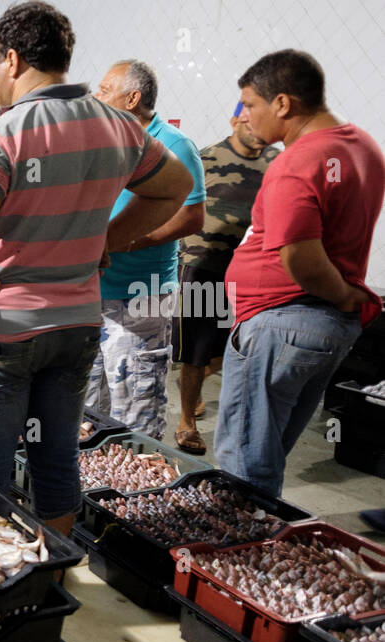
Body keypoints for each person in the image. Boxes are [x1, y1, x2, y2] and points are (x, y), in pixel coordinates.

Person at [0, 1, 193, 536]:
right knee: (56, 463)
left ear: (11, 59)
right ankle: (54, 574)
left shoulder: (3, 135)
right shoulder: (118, 127)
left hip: (1, 331)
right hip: (78, 324)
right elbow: (175, 187)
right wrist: (108, 238)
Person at [215, 50, 384, 496]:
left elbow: (301, 256)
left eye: (250, 105)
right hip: (318, 328)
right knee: (265, 452)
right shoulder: (362, 146)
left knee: (244, 467)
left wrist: (343, 295)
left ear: (283, 104)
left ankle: (242, 555)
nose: (244, 117)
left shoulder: (296, 161)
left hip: (282, 322)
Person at [86, 59, 206, 441]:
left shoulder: (173, 145)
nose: (95, 96)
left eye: (105, 90)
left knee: (136, 411)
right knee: (88, 409)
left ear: (132, 98)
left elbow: (191, 218)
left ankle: (134, 492)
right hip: (90, 297)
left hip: (141, 299)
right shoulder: (101, 143)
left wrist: (126, 240)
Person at [172, 103, 278, 454]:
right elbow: (180, 208)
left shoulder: (278, 163)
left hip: (252, 273)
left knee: (238, 347)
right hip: (204, 266)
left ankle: (200, 380)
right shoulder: (206, 158)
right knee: (195, 351)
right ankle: (187, 421)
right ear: (235, 120)